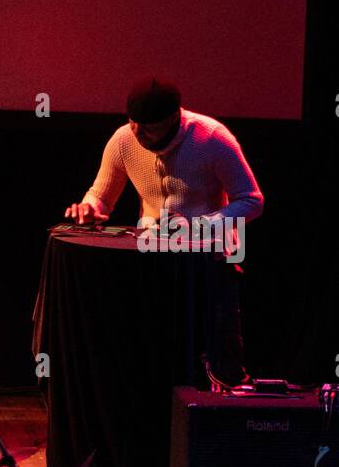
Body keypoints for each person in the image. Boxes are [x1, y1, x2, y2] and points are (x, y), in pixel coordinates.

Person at [64, 77, 264, 384]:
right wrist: (90, 208)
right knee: (151, 355)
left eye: (148, 126)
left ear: (173, 118)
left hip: (209, 262)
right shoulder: (123, 140)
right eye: (133, 123)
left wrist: (199, 227)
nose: (137, 132)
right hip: (153, 259)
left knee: (218, 357)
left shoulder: (211, 138)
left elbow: (251, 200)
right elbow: (101, 196)